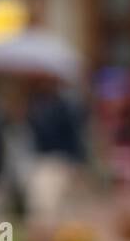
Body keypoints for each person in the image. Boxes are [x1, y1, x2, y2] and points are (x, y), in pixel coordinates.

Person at [24, 77, 87, 216]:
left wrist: (77, 162)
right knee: (41, 204)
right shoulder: (36, 104)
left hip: (59, 159)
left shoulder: (63, 107)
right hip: (42, 159)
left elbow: (73, 135)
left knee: (53, 204)